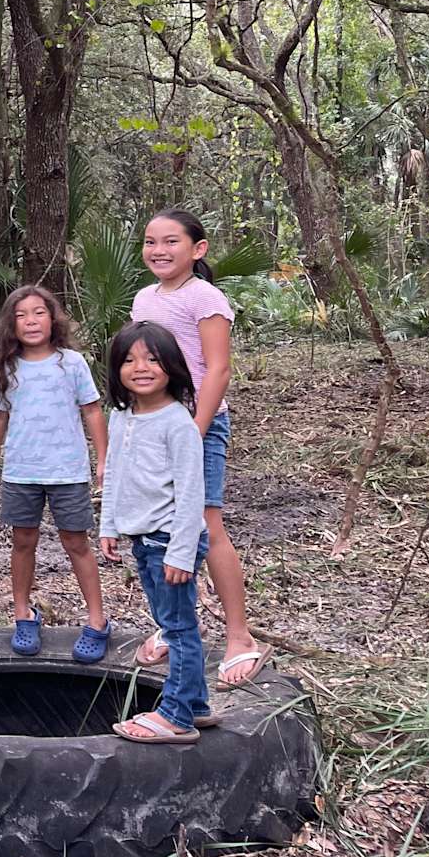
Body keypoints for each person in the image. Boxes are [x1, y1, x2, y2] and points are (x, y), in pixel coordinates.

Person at [128, 208, 271, 689]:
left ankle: (239, 636)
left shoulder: (206, 297)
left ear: (198, 249)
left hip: (198, 427)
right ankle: (175, 627)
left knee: (205, 524)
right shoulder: (144, 298)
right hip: (154, 427)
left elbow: (218, 370)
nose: (159, 251)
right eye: (151, 242)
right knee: (164, 527)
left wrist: (194, 429)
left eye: (171, 241)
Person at [0, 284, 111, 662]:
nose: (31, 321)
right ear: (10, 324)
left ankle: (97, 620)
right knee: (23, 540)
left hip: (67, 470)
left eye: (39, 313)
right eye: (21, 315)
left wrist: (103, 460)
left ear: (53, 319)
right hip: (21, 470)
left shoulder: (71, 362)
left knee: (76, 542)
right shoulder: (7, 366)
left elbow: (92, 410)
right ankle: (23, 614)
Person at [99, 320, 215, 743]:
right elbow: (114, 473)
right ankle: (196, 704)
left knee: (177, 628)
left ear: (172, 366)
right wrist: (108, 524)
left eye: (151, 358)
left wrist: (181, 552)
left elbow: (191, 492)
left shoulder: (177, 423)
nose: (140, 367)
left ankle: (177, 714)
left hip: (169, 539)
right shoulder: (121, 417)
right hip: (142, 540)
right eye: (129, 360)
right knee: (172, 622)